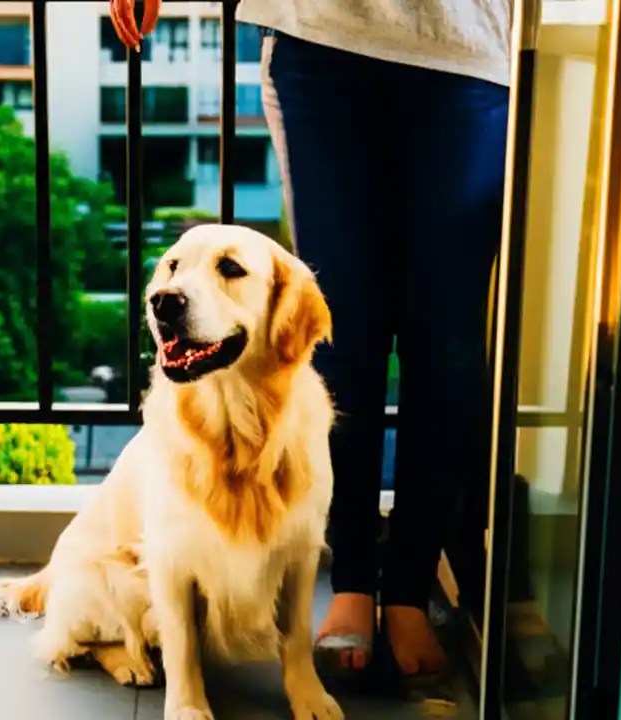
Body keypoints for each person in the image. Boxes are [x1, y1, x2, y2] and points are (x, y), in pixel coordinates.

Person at [111, 0, 511, 678]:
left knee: (445, 344)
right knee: (340, 336)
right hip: (322, 36)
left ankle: (409, 587)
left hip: (465, 46)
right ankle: (351, 578)